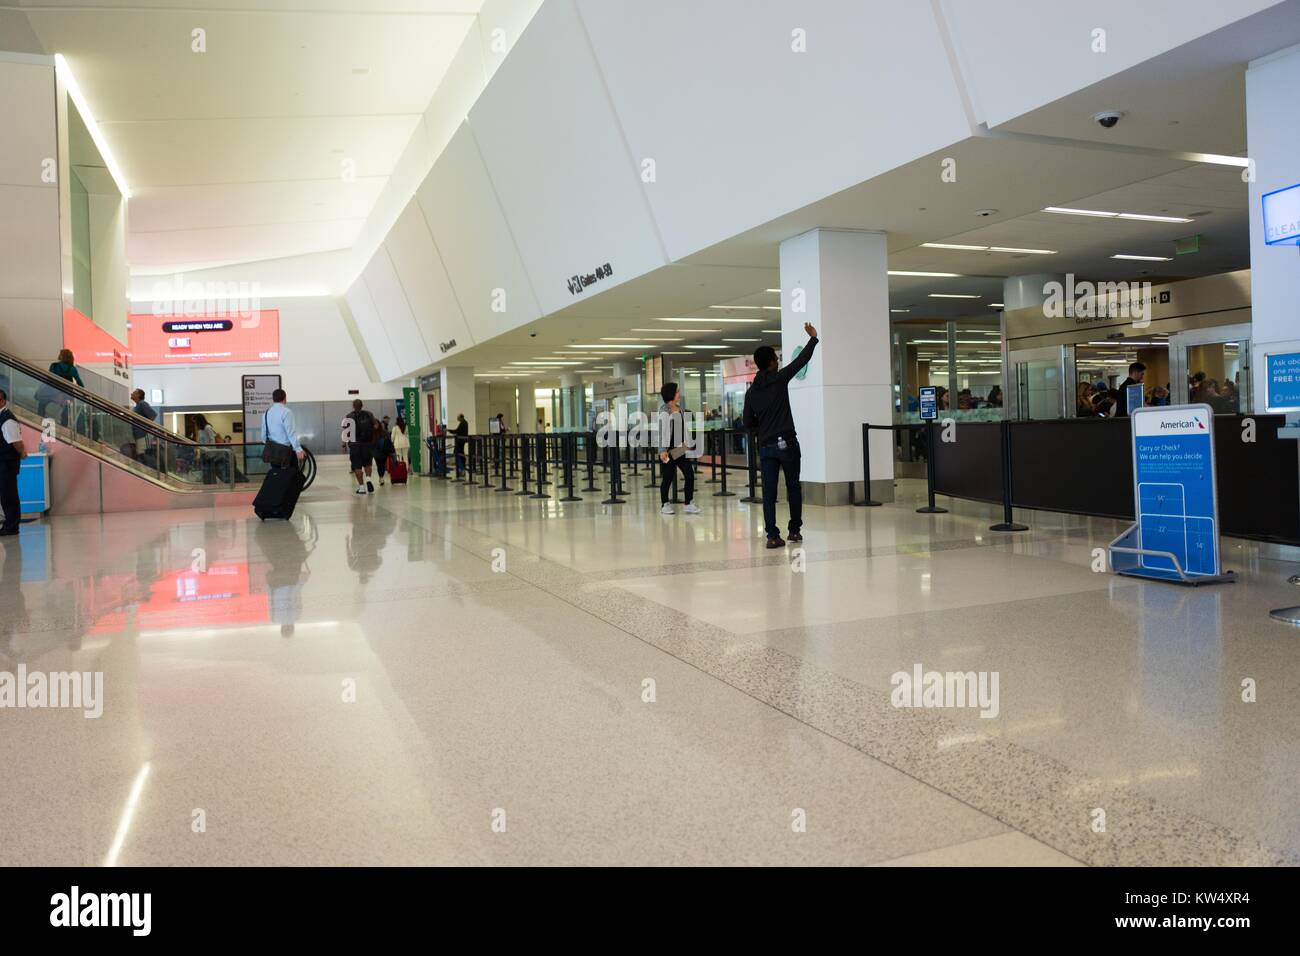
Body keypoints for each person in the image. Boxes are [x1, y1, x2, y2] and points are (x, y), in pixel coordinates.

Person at [742, 322, 819, 549]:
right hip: (787, 442)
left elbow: (747, 423)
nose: (778, 362)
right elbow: (801, 360)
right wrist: (813, 338)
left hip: (765, 446)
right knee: (793, 486)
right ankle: (794, 531)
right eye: (775, 358)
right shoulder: (779, 379)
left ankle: (772, 536)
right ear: (771, 363)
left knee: (769, 492)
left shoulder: (751, 393)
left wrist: (763, 424)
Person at [656, 382, 700, 516]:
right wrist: (662, 450)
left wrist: (688, 444)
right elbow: (661, 432)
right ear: (671, 394)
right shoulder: (664, 411)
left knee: (689, 474)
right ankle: (664, 504)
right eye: (677, 392)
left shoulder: (680, 409)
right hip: (668, 450)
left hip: (679, 449)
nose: (679, 394)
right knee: (668, 478)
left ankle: (688, 503)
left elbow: (683, 429)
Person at [0, 388, 26, 537]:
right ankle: (9, 523)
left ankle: (11, 525)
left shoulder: (7, 419)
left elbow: (16, 442)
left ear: (3, 401)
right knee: (5, 494)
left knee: (9, 495)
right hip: (3, 462)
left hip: (7, 463)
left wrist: (22, 453)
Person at [344, 398, 377, 495]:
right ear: (362, 405)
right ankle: (368, 479)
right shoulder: (369, 414)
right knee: (368, 464)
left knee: (357, 466)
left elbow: (346, 432)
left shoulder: (348, 416)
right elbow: (376, 426)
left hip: (354, 445)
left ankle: (362, 488)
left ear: (353, 406)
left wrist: (343, 444)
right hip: (367, 444)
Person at [263, 388, 305, 463]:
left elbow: (263, 436)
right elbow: (291, 433)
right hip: (286, 452)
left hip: (272, 452)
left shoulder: (266, 413)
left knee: (276, 473)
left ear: (273, 399)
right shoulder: (286, 412)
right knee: (291, 473)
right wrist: (298, 449)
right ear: (285, 398)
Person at [129, 388, 156, 459]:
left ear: (138, 395)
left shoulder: (142, 403)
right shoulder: (137, 406)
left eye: (133, 393)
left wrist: (146, 428)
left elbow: (153, 415)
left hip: (143, 435)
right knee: (140, 453)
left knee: (142, 455)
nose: (131, 394)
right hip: (139, 434)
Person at [373, 417, 391, 486]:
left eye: (376, 424)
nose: (375, 425)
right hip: (376, 452)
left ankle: (381, 476)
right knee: (378, 465)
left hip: (384, 451)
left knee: (383, 465)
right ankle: (381, 477)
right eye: (374, 424)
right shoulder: (372, 433)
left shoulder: (384, 432)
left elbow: (389, 441)